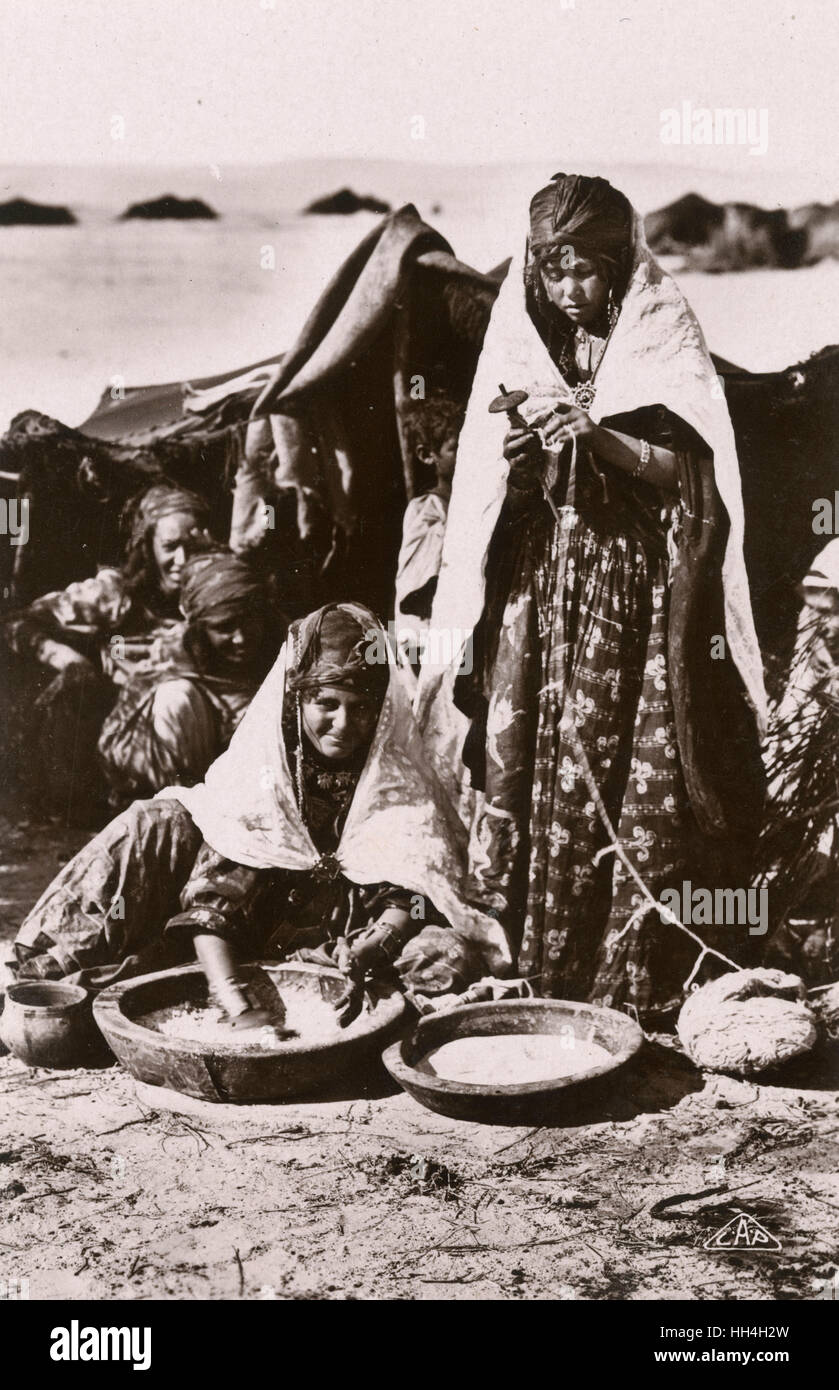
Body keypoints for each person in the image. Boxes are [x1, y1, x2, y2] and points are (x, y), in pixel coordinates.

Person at [417, 172, 767, 1020]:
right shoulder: (528, 340)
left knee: (625, 761)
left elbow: (690, 473)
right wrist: (526, 441)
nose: (569, 291)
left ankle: (635, 971)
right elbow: (489, 483)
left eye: (585, 272)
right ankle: (546, 960)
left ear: (618, 264)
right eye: (552, 272)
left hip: (630, 593)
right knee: (542, 756)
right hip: (545, 586)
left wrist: (601, 438)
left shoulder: (657, 330)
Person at [6, 603, 511, 1027]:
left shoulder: (396, 777)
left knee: (446, 955)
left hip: (337, 942)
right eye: (326, 703)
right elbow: (217, 894)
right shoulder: (264, 771)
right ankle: (39, 981)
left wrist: (379, 940)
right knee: (153, 822)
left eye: (361, 708)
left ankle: (354, 1010)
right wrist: (234, 999)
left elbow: (415, 889)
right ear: (296, 701)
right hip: (225, 929)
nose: (343, 724)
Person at [3, 483, 214, 819]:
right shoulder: (116, 595)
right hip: (134, 734)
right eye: (170, 547)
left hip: (202, 730)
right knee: (178, 696)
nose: (182, 560)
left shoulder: (220, 592)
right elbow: (14, 623)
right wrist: (65, 658)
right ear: (147, 546)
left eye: (193, 546)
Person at [97, 548, 285, 809]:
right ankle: (185, 808)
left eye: (249, 622)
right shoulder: (174, 655)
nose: (241, 638)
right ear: (201, 627)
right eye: (225, 627)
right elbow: (118, 742)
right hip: (190, 774)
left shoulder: (285, 645)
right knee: (174, 697)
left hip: (260, 780)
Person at [756, 540, 839, 982]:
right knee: (795, 826)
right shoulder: (834, 559)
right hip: (817, 728)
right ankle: (772, 937)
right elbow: (811, 670)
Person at [394, 395, 463, 655]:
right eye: (456, 447)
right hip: (431, 639)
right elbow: (415, 594)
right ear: (427, 455)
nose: (469, 452)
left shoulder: (467, 504)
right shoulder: (427, 511)